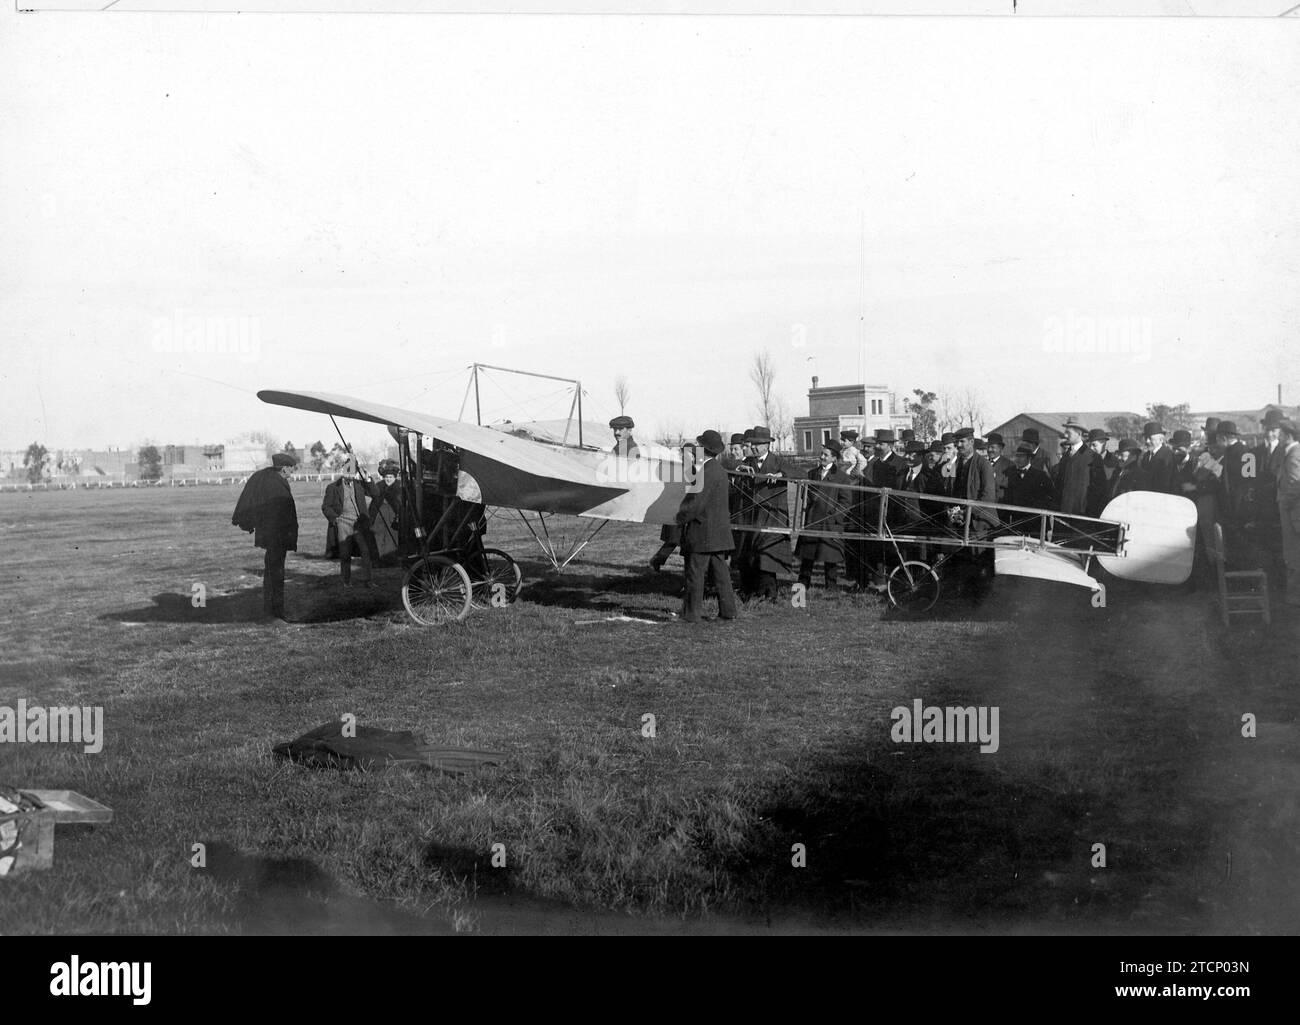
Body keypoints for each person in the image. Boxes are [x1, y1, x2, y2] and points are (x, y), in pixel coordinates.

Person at [674, 431, 738, 623]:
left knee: (695, 573)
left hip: (702, 532)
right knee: (721, 575)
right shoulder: (717, 469)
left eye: (698, 446)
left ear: (704, 449)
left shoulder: (706, 472)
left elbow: (696, 503)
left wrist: (680, 516)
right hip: (718, 533)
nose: (695, 449)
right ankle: (728, 612)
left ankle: (691, 615)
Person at [232, 452, 300, 622]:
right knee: (276, 573)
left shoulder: (269, 479)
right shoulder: (274, 484)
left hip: (273, 535)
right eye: (291, 468)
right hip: (277, 535)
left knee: (272, 571)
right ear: (284, 468)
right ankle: (276, 612)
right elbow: (276, 512)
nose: (292, 471)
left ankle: (271, 610)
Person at [796, 439, 852, 590]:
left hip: (830, 522)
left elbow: (846, 502)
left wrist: (834, 517)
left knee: (830, 556)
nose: (822, 457)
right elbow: (805, 495)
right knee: (807, 555)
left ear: (834, 458)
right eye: (821, 454)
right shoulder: (812, 473)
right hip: (813, 520)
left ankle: (831, 588)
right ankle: (802, 585)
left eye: (826, 455)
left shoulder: (842, 477)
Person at [743, 426, 788, 600]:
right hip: (753, 515)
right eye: (752, 444)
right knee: (753, 555)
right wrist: (740, 469)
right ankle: (755, 592)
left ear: (766, 445)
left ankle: (770, 593)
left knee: (768, 555)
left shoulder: (778, 461)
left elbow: (799, 473)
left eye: (757, 444)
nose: (753, 447)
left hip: (773, 515)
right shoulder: (748, 462)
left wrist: (780, 474)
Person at [322, 458, 381, 589]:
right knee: (345, 553)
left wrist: (368, 479)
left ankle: (368, 581)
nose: (349, 475)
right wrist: (335, 519)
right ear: (342, 470)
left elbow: (376, 493)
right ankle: (346, 581)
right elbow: (326, 507)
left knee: (366, 552)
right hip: (343, 523)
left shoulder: (360, 484)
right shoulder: (333, 487)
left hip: (360, 524)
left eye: (352, 472)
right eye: (347, 471)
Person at [1055, 421, 1109, 518]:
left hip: (1082, 514)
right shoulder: (1065, 456)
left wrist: (1090, 512)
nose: (1065, 435)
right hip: (1063, 512)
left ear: (1079, 434)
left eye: (1068, 433)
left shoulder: (1093, 457)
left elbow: (1100, 488)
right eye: (1065, 432)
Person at [1274, 419, 1300, 606]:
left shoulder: (1294, 455)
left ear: (1289, 436)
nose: (1279, 437)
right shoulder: (1290, 453)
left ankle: (1294, 597)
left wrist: (1284, 504)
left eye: (1281, 434)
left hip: (1293, 516)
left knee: (1294, 555)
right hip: (1292, 514)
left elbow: (1294, 487)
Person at [368, 459, 404, 563]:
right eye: (387, 477)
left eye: (390, 477)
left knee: (391, 536)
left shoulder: (399, 486)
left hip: (393, 515)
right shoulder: (380, 485)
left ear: (395, 477)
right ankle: (379, 557)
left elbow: (399, 502)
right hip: (379, 514)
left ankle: (390, 558)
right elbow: (373, 495)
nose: (388, 479)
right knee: (379, 535)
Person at [1137, 422, 1176, 494]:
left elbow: (1166, 483)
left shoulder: (1168, 456)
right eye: (1146, 438)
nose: (1147, 441)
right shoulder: (1146, 456)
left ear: (1161, 440)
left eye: (1150, 438)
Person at [986, 432, 1013, 503]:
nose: (989, 450)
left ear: (1000, 448)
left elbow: (1010, 483)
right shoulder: (983, 463)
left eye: (992, 447)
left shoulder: (1009, 465)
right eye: (988, 447)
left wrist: (994, 477)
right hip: (984, 503)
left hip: (1000, 504)